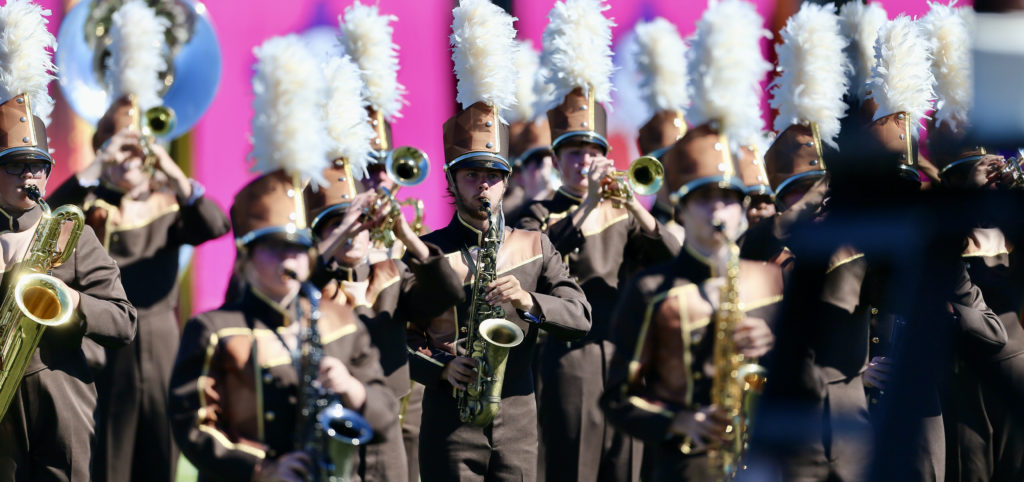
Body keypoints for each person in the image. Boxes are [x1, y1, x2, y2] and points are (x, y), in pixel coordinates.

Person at [168, 35, 397, 481]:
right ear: (247, 258)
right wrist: (262, 468)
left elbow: (386, 411)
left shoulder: (339, 320)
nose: (289, 261)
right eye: (275, 249)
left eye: (297, 249)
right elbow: (191, 425)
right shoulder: (212, 330)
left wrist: (353, 389)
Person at [407, 3, 591, 479]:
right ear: (452, 181)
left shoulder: (535, 245)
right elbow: (394, 334)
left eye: (493, 175)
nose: (483, 185)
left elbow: (580, 317)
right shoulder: (425, 251)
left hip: (518, 425)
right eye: (471, 175)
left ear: (507, 181)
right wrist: (439, 368)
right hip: (449, 426)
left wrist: (529, 300)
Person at [46, 6, 231, 480]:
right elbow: (50, 216)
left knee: (161, 452)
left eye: (139, 145)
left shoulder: (167, 204)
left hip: (164, 338)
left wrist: (169, 169)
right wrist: (97, 165)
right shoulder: (91, 205)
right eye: (119, 145)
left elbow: (215, 224)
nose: (131, 155)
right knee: (111, 455)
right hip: (110, 345)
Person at [0, 3, 137, 480]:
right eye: (14, 165)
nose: (30, 176)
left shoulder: (70, 234)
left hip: (61, 404)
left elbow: (124, 322)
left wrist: (71, 300)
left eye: (38, 165)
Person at [600, 126, 780, 481]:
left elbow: (806, 381)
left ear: (742, 208)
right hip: (685, 467)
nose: (717, 209)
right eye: (703, 198)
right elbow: (616, 400)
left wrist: (774, 345)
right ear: (680, 209)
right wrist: (679, 420)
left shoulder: (770, 279)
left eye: (728, 198)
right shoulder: (650, 290)